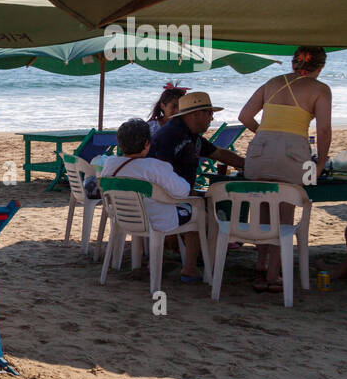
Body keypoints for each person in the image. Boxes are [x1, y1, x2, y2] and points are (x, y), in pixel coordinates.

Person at [238, 46, 331, 292]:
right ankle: (272, 273)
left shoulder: (273, 82)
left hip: (260, 149)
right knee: (284, 214)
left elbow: (244, 116)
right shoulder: (320, 90)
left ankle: (260, 264)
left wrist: (266, 135)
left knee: (262, 207)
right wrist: (321, 161)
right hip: (292, 152)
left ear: (293, 64)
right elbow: (323, 130)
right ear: (320, 67)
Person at [101, 118, 204, 283]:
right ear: (147, 144)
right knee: (197, 216)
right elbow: (183, 191)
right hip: (156, 221)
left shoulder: (110, 164)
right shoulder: (155, 167)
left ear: (120, 145)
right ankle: (190, 268)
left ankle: (157, 260)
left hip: (123, 218)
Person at [147, 91, 244, 189]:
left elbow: (218, 153)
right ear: (196, 114)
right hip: (167, 197)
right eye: (210, 113)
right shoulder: (173, 135)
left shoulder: (189, 134)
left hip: (178, 194)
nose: (212, 118)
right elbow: (160, 171)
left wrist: (246, 164)